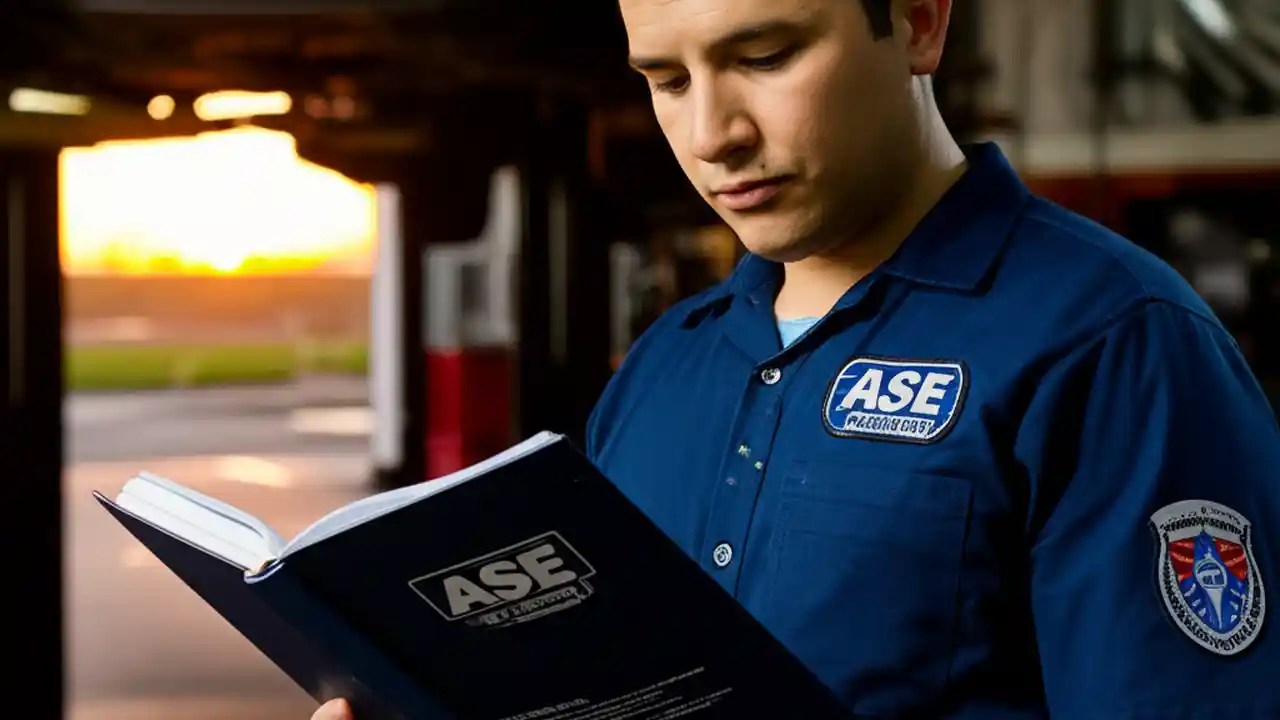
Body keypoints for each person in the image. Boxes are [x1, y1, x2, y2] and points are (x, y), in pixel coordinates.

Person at [315, 0, 1280, 717]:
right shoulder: (664, 370)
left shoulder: (1114, 344)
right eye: (668, 80)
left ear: (918, 22)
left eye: (767, 57)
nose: (713, 136)